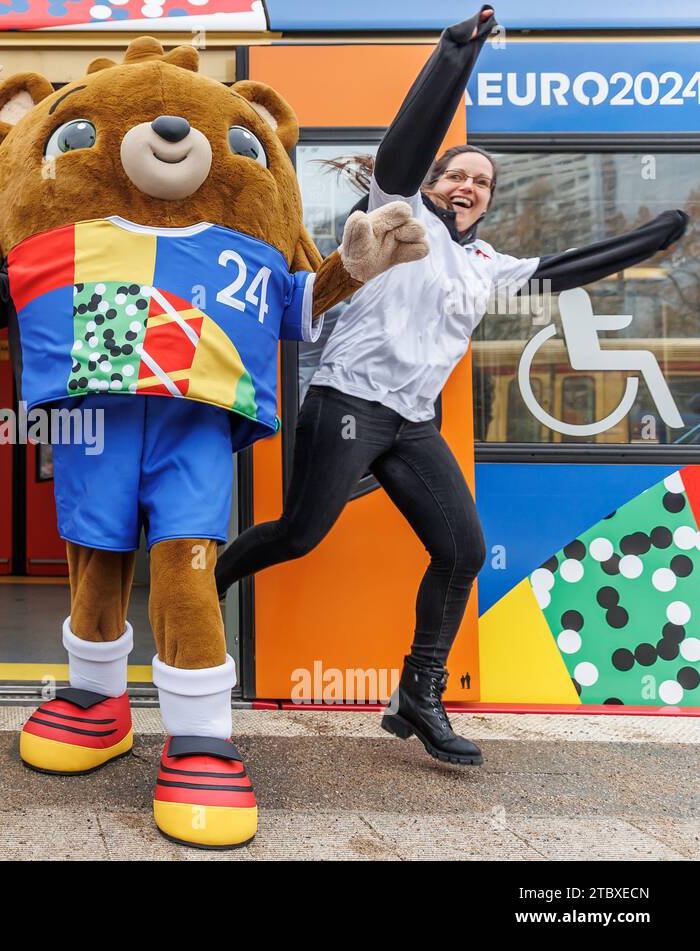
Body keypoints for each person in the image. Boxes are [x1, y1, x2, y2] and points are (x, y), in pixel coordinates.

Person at [215, 5, 689, 766]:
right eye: (459, 174)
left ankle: (418, 694)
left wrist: (653, 240)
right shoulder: (401, 214)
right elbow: (402, 153)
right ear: (436, 184)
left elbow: (561, 271)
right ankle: (208, 584)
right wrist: (452, 56)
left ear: (489, 199)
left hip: (410, 422)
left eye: (482, 181)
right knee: (302, 534)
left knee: (463, 548)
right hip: (345, 402)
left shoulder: (488, 264)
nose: (469, 185)